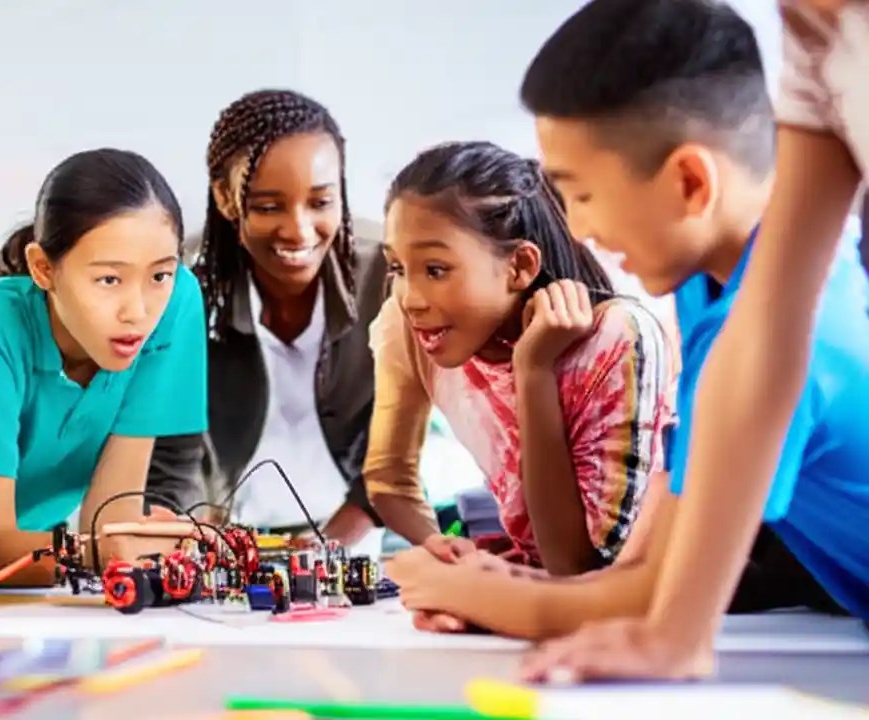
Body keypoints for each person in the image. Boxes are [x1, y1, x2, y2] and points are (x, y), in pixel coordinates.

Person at [385, 0, 869, 679]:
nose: (576, 232)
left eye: (580, 195)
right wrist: (505, 587)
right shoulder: (715, 294)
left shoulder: (795, 323)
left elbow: (650, 597)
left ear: (690, 182)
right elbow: (649, 561)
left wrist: (468, 591)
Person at [0, 148, 208, 585]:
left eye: (159, 275)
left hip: (43, 566)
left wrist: (120, 547)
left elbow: (109, 521)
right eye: (109, 280)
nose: (137, 311)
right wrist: (103, 551)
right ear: (43, 269)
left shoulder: (177, 303)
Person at [368, 141, 675, 577]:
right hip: (548, 586)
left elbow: (578, 566)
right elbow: (388, 479)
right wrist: (446, 546)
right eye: (398, 268)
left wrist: (533, 372)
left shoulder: (614, 338)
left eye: (435, 270)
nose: (411, 299)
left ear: (519, 266)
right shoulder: (414, 329)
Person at [145, 89, 388, 554]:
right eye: (269, 206)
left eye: (320, 202)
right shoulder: (185, 288)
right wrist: (192, 533)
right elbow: (170, 455)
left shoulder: (385, 277)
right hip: (226, 540)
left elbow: (399, 447)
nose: (298, 230)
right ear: (225, 197)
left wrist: (326, 546)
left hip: (353, 535)